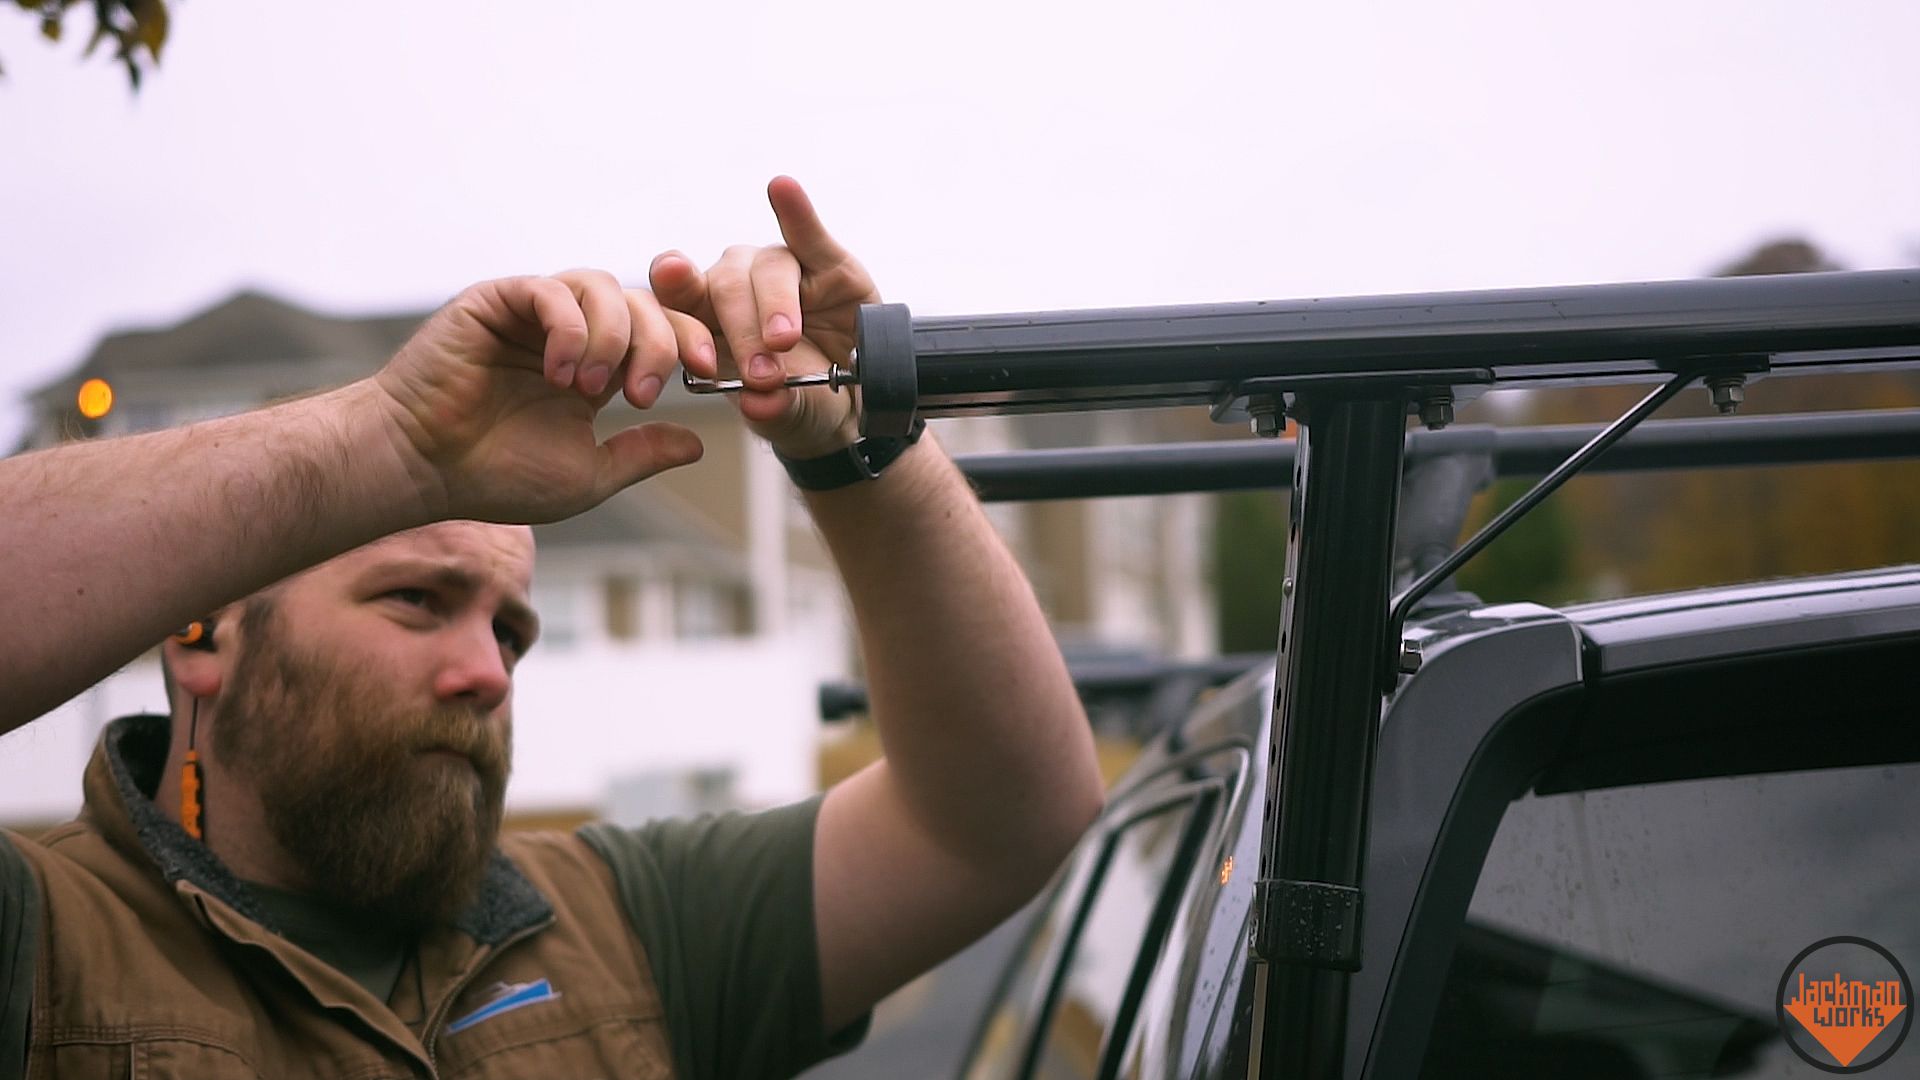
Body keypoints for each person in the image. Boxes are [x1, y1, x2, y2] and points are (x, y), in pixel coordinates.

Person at [0, 177, 1104, 1078]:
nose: (486, 671)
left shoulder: (625, 926)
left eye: (516, 632)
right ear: (201, 637)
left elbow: (1000, 821)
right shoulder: (45, 947)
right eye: (416, 601)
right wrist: (393, 445)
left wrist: (861, 446)